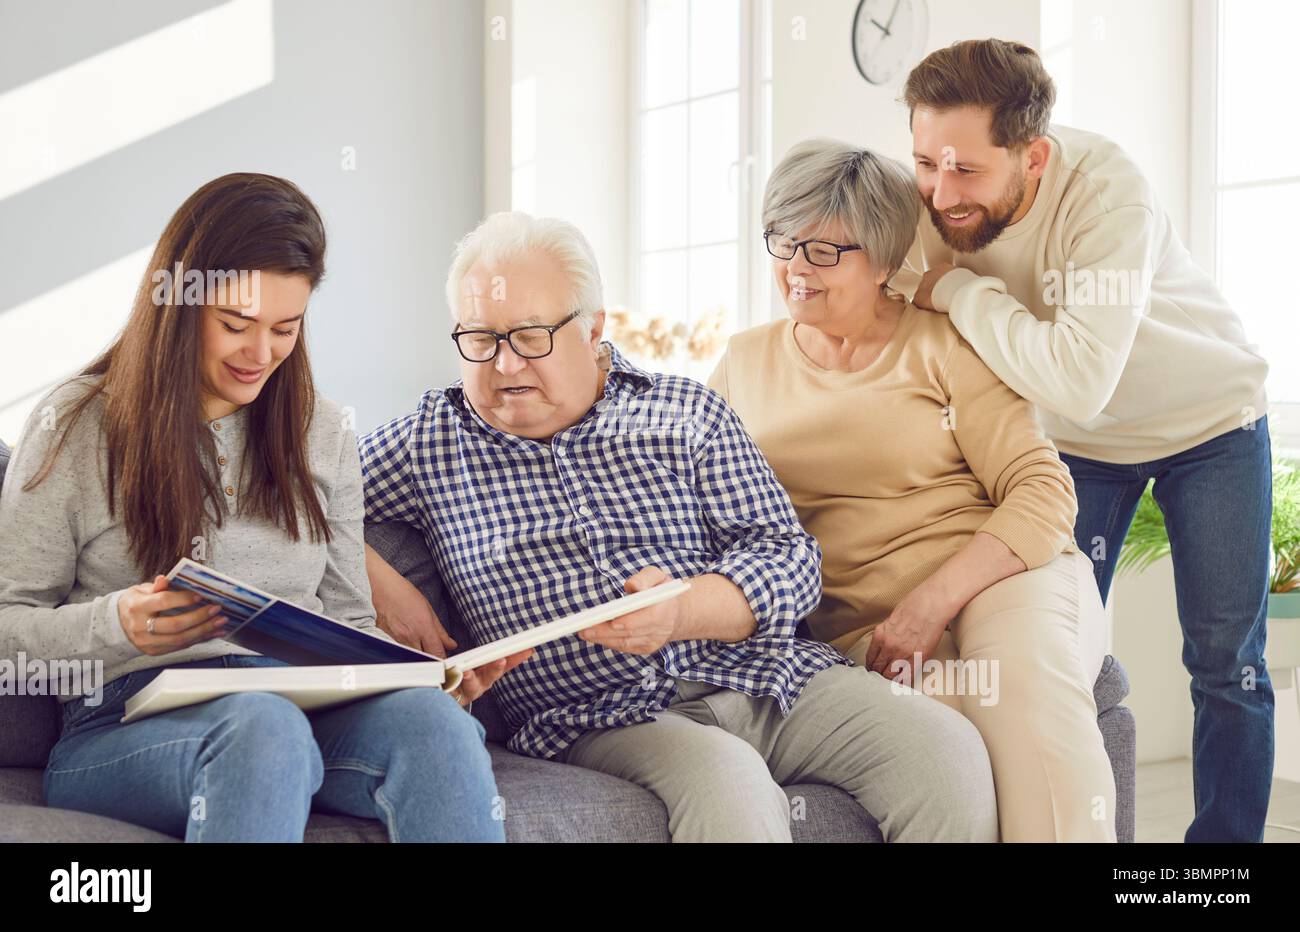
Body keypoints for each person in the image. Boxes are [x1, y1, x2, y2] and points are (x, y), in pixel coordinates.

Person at [359, 210, 998, 842]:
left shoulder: (684, 410)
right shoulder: (431, 439)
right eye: (479, 339)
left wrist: (681, 611)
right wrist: (383, 583)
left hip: (768, 679)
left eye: (529, 336)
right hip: (606, 717)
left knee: (944, 754)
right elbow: (290, 490)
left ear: (592, 330)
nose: (504, 365)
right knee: (731, 784)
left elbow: (788, 557)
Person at [0, 173, 511, 842]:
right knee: (263, 728)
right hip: (125, 725)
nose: (261, 353)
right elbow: (10, 630)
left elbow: (350, 621)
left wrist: (430, 678)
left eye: (284, 328)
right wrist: (117, 624)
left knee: (437, 724)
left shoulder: (321, 430)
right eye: (235, 325)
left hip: (304, 706)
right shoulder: (77, 423)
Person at [893, 38, 1273, 842]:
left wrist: (961, 288)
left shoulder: (1108, 196)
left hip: (1209, 424)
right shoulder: (930, 198)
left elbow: (1077, 381)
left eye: (964, 170)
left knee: (1223, 662)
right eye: (926, 162)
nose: (938, 190)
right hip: (1078, 447)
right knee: (1052, 655)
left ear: (1033, 155)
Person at [710, 139, 1115, 842]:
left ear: (887, 263)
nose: (796, 270)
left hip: (1006, 579)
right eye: (784, 242)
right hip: (867, 632)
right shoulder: (744, 365)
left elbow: (1042, 489)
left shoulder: (943, 343)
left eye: (826, 252)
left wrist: (932, 602)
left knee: (1020, 696)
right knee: (946, 743)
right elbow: (697, 504)